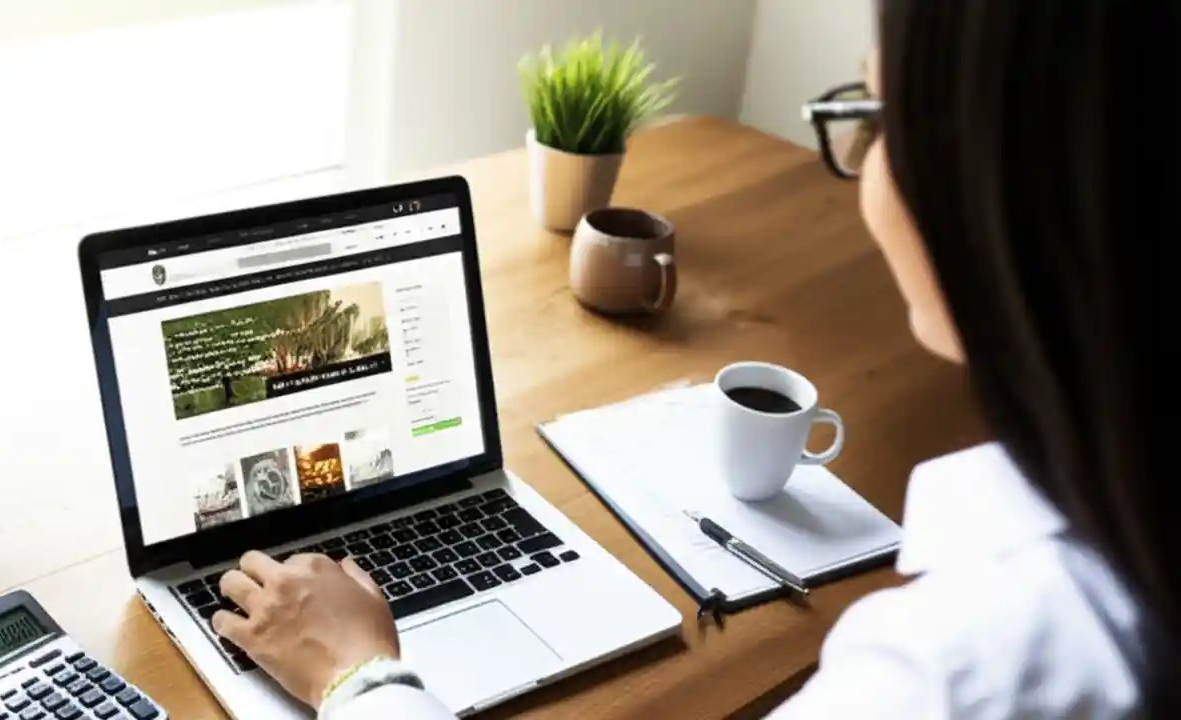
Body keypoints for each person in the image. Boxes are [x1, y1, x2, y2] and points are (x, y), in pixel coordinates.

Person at [209, 2, 1178, 717]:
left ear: (997, 174)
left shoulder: (960, 675)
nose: (866, 160)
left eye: (875, 115)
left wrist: (358, 676)